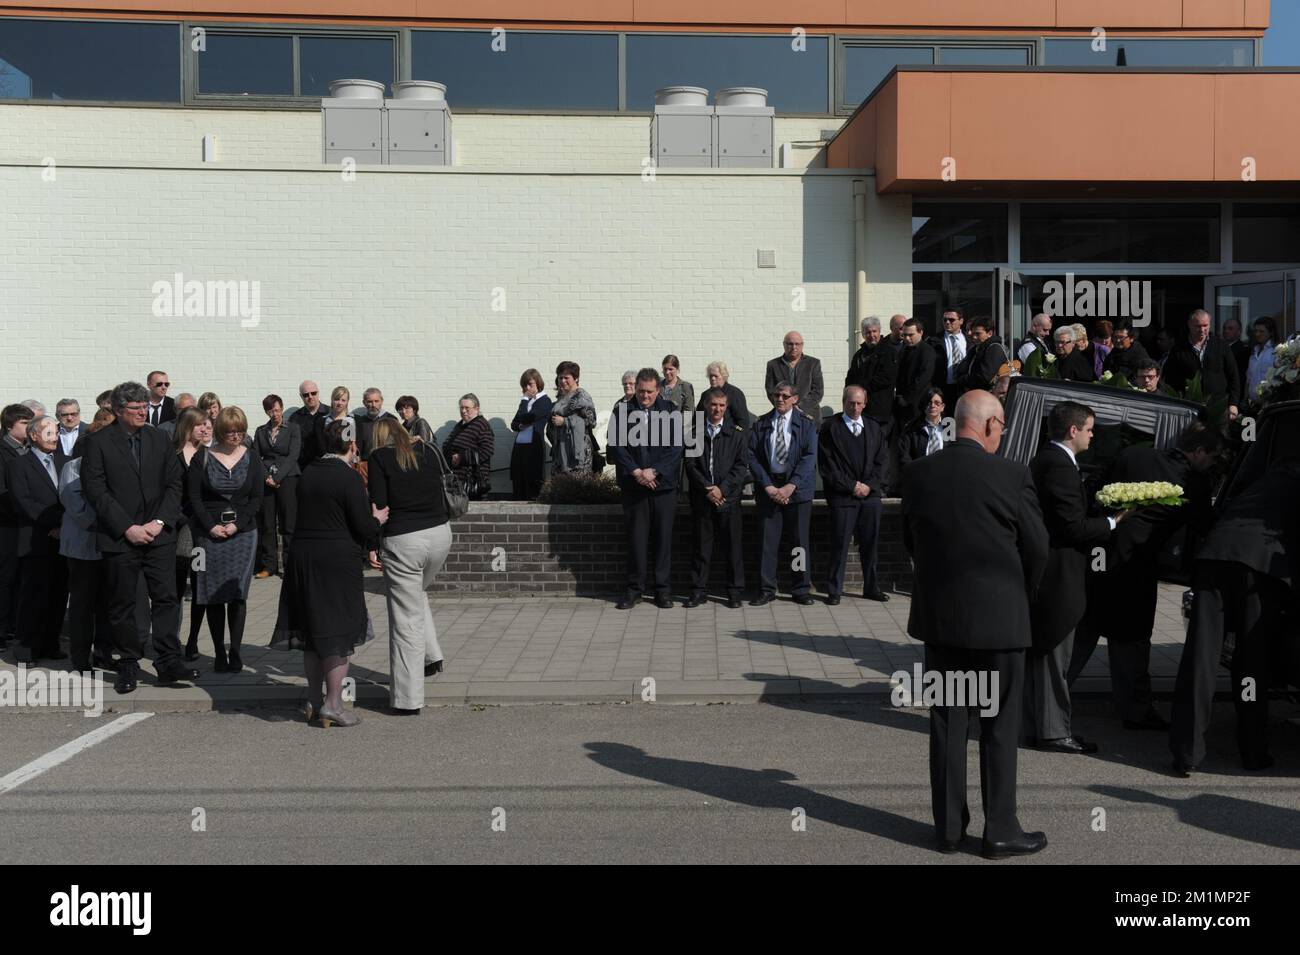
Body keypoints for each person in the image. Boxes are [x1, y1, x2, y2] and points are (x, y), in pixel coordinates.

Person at [901, 390, 1050, 858]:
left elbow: (912, 542)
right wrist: (1019, 595)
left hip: (943, 622)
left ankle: (947, 830)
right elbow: (1038, 546)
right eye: (1001, 426)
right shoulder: (1011, 474)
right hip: (1000, 622)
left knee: (948, 724)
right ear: (989, 425)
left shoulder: (919, 473)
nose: (1001, 435)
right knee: (999, 727)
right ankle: (1000, 830)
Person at [1068, 423, 1220, 729]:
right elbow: (1206, 527)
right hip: (1137, 567)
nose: (1213, 464)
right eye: (1212, 457)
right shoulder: (1193, 482)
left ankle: (1045, 695)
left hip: (1100, 557)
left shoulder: (1134, 455)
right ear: (1199, 452)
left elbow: (1095, 485)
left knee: (1082, 631)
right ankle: (1134, 709)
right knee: (1132, 640)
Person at [1170, 456, 1300, 775]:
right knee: (1250, 664)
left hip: (1214, 556)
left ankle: (1186, 753)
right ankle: (1253, 752)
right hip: (1256, 568)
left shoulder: (1262, 481)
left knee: (1200, 657)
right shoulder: (1295, 486)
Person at [80, 381, 199, 694]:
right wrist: (127, 527)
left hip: (159, 536)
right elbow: (96, 490)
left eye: (145, 408)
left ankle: (168, 661)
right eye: (135, 409)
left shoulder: (158, 438)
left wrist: (159, 521)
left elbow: (175, 484)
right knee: (124, 604)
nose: (143, 413)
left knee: (166, 599)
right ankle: (129, 662)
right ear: (118, 411)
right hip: (121, 539)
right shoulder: (98, 443)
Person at [272, 419, 383, 727]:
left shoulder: (309, 473)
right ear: (352, 445)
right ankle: (333, 705)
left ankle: (313, 699)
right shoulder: (348, 478)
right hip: (336, 561)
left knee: (311, 630)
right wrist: (378, 519)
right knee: (336, 634)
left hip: (303, 556)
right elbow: (362, 526)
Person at [1024, 401, 1120, 755]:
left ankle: (1036, 726)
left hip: (1050, 573)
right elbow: (1072, 527)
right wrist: (1113, 522)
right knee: (1055, 655)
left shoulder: (1047, 460)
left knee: (1047, 654)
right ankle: (1053, 732)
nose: (1094, 435)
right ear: (1073, 431)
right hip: (1058, 576)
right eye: (1091, 429)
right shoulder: (1059, 466)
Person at [369, 417, 450, 712]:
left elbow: (379, 506)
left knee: (405, 619)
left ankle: (408, 699)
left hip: (404, 540)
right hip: (440, 535)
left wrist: (372, 544)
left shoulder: (379, 458)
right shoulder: (427, 451)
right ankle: (432, 656)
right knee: (415, 596)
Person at [187, 406, 265, 674]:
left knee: (237, 594)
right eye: (230, 431)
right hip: (208, 535)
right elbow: (194, 498)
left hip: (243, 535)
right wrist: (211, 526)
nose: (235, 436)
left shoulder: (252, 457)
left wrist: (237, 525)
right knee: (212, 595)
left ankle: (236, 651)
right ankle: (219, 650)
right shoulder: (203, 457)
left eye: (240, 431)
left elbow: (257, 498)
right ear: (220, 431)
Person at [609, 369, 684, 609]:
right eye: (641, 391)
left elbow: (676, 447)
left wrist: (655, 471)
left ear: (658, 390)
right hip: (634, 486)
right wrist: (637, 472)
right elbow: (617, 446)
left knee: (663, 540)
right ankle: (634, 589)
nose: (645, 396)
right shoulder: (622, 411)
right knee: (636, 540)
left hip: (664, 487)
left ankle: (663, 590)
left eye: (650, 392)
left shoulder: (671, 411)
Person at [747, 382, 817, 606]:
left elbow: (809, 457)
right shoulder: (762, 423)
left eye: (785, 396)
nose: (780, 399)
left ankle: (800, 588)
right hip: (770, 488)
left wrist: (791, 486)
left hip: (797, 489)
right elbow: (752, 456)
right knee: (768, 542)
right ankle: (767, 588)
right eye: (776, 395)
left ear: (795, 399)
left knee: (798, 543)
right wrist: (768, 486)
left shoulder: (806, 424)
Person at [818, 386, 888, 606]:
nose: (855, 407)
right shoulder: (830, 429)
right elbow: (828, 467)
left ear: (865, 404)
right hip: (842, 497)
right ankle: (834, 590)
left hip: (870, 497)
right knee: (839, 544)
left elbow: (883, 462)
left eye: (859, 403)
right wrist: (851, 486)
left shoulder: (875, 428)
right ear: (843, 402)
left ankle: (871, 587)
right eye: (851, 403)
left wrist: (868, 485)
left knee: (870, 544)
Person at [7, 416, 69, 663]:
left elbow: (71, 495)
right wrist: (54, 524)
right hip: (35, 540)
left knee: (57, 596)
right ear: (34, 436)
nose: (54, 437)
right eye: (49, 432)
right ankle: (26, 649)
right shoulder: (19, 465)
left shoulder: (64, 462)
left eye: (56, 432)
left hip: (63, 540)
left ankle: (50, 644)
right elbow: (24, 502)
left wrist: (65, 524)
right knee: (34, 597)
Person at [60, 410, 118, 672]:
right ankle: (80, 657)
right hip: (83, 546)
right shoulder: (72, 468)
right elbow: (75, 504)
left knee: (106, 604)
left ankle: (105, 654)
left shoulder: (111, 467)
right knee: (83, 605)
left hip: (107, 544)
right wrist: (108, 521)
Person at [684, 387, 748, 609]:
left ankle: (734, 592)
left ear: (726, 407)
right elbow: (690, 466)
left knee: (733, 548)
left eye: (721, 405)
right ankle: (698, 591)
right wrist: (708, 489)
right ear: (706, 406)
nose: (717, 409)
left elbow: (741, 467)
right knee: (701, 548)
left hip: (728, 500)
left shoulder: (737, 434)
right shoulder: (694, 433)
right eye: (713, 405)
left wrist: (722, 489)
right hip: (703, 499)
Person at [173, 409, 213, 662]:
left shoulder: (209, 457)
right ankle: (170, 639)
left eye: (206, 425)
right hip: (176, 530)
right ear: (188, 426)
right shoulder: (172, 456)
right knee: (173, 590)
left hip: (200, 532)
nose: (204, 429)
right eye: (199, 425)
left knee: (199, 587)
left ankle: (192, 640)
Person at [254, 395, 302, 579]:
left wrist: (278, 476)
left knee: (288, 523)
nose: (274, 414)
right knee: (267, 523)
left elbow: (293, 455)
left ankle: (290, 564)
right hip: (267, 481)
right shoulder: (260, 431)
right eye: (270, 411)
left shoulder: (293, 428)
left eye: (277, 409)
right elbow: (256, 457)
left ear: (282, 408)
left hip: (288, 478)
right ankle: (269, 565)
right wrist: (267, 477)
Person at [1161, 309, 1241, 417]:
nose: (1202, 330)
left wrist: (1233, 404)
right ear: (1189, 325)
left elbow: (1233, 376)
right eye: (1198, 326)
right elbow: (1170, 379)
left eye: (1205, 326)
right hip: (1188, 408)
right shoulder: (1178, 349)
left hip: (1218, 407)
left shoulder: (1221, 346)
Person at [0, 404, 34, 645]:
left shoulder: (30, 449)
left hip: (29, 526)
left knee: (24, 579)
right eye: (24, 422)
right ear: (10, 426)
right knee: (6, 578)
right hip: (8, 525)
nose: (29, 427)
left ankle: (18, 624)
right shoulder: (3, 452)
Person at [845, 317, 898, 434]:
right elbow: (850, 378)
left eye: (874, 331)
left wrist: (860, 388)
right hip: (860, 410)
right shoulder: (859, 355)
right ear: (863, 334)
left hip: (880, 410)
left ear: (879, 332)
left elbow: (886, 378)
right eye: (868, 332)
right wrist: (849, 395)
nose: (872, 335)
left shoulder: (889, 352)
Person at [509, 370, 552, 500]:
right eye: (524, 385)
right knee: (518, 479)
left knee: (532, 480)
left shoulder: (544, 401)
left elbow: (526, 417)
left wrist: (524, 400)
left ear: (538, 383)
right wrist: (520, 425)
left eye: (530, 384)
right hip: (519, 447)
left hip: (533, 447)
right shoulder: (527, 402)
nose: (527, 388)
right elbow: (514, 423)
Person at [548, 361, 596, 476]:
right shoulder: (562, 397)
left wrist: (565, 421)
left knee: (576, 487)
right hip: (560, 451)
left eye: (566, 377)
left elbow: (591, 421)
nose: (563, 381)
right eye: (560, 378)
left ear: (576, 378)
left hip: (577, 451)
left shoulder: (581, 397)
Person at [764, 331, 824, 420]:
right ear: (784, 345)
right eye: (790, 344)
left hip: (809, 414)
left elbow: (818, 391)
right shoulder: (773, 365)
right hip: (783, 414)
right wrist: (785, 406)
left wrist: (799, 407)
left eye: (797, 344)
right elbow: (770, 390)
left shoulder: (813, 363)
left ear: (802, 345)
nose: (794, 347)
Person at [446, 394, 494, 499]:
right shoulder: (460, 425)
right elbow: (447, 445)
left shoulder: (482, 425)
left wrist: (461, 457)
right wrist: (451, 456)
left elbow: (487, 450)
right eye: (461, 408)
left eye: (467, 408)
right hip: (457, 481)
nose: (463, 411)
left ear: (477, 408)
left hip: (472, 481)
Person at [955, 315, 1009, 393]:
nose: (974, 337)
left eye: (978, 334)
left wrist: (963, 380)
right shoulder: (975, 349)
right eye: (973, 333)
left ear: (990, 333)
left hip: (989, 397)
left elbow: (984, 377)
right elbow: (961, 369)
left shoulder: (994, 349)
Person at [898, 388, 948, 471]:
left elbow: (955, 452)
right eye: (929, 402)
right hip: (920, 474)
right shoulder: (912, 428)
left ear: (942, 407)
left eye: (937, 403)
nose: (932, 405)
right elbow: (904, 456)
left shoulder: (949, 427)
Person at [934, 308, 970, 409]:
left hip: (964, 388)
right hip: (943, 388)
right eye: (945, 320)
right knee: (947, 420)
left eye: (951, 320)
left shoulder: (970, 340)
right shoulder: (934, 341)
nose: (947, 322)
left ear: (961, 321)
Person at [696, 361, 750, 429]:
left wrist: (737, 437)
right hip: (708, 436)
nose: (712, 378)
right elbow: (698, 418)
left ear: (723, 376)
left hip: (729, 436)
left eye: (715, 376)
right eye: (710, 376)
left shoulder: (735, 393)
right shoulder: (705, 395)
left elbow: (743, 421)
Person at [290, 380, 330, 467]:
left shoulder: (330, 413)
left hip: (327, 464)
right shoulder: (295, 418)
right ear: (301, 396)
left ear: (318, 393)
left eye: (313, 393)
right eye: (306, 395)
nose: (310, 397)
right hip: (303, 466)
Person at [354, 388, 398, 460]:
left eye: (376, 401)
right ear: (364, 402)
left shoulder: (391, 420)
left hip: (387, 462)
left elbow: (397, 444)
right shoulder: (359, 422)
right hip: (366, 464)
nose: (373, 405)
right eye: (369, 402)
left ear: (382, 401)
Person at [1243, 316, 1277, 405]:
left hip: (1268, 404)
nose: (1257, 334)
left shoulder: (1275, 352)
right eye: (1256, 331)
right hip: (1252, 404)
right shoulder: (1254, 352)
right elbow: (1249, 380)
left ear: (1271, 332)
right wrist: (1245, 399)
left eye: (1261, 331)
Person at [660, 355, 695, 428]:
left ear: (677, 369)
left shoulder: (686, 387)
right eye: (665, 369)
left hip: (678, 429)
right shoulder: (657, 386)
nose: (667, 372)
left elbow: (688, 412)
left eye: (670, 369)